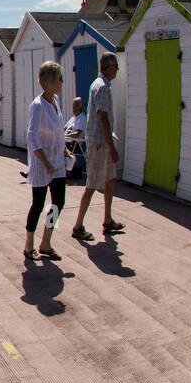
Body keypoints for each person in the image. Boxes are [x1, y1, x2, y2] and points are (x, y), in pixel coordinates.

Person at [24, 61, 73, 262]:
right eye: (59, 78)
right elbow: (32, 137)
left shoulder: (56, 101)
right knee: (38, 204)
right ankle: (29, 245)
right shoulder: (37, 106)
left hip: (57, 163)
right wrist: (46, 163)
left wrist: (65, 149)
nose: (62, 81)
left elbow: (58, 130)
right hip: (43, 165)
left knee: (58, 202)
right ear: (50, 81)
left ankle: (46, 242)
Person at [71, 53, 122, 242]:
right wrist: (112, 147)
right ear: (109, 67)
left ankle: (107, 220)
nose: (117, 69)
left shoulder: (101, 85)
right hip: (100, 145)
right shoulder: (101, 87)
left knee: (110, 179)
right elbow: (103, 119)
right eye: (116, 66)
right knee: (92, 185)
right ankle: (78, 226)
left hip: (103, 144)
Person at [64, 97, 87, 179]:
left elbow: (77, 134)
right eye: (73, 105)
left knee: (55, 146)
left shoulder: (82, 118)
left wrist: (64, 136)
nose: (73, 108)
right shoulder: (73, 118)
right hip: (66, 141)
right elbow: (64, 128)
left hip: (74, 143)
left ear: (81, 107)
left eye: (76, 105)